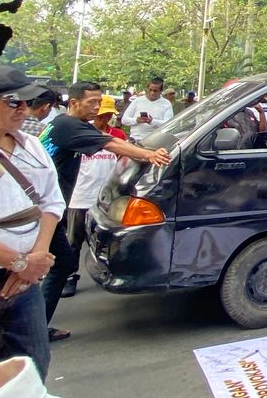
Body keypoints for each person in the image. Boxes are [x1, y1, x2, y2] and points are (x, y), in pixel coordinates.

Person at [39, 81, 170, 341]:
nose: (97, 107)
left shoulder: (61, 125)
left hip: (47, 205)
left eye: (100, 103)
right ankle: (31, 327)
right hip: (42, 208)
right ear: (73, 103)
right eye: (92, 103)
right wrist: (150, 155)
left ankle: (30, 324)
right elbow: (112, 145)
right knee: (56, 261)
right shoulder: (70, 126)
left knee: (54, 261)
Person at [0, 66, 61, 377]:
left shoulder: (33, 146)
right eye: (13, 101)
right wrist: (20, 262)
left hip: (26, 278)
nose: (23, 109)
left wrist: (35, 260)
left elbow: (51, 202)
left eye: (27, 101)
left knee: (32, 363)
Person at [59, 95, 126, 298]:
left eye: (108, 115)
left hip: (105, 198)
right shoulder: (79, 135)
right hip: (80, 196)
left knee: (104, 240)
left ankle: (106, 271)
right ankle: (69, 276)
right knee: (73, 241)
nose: (104, 119)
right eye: (101, 115)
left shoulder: (118, 136)